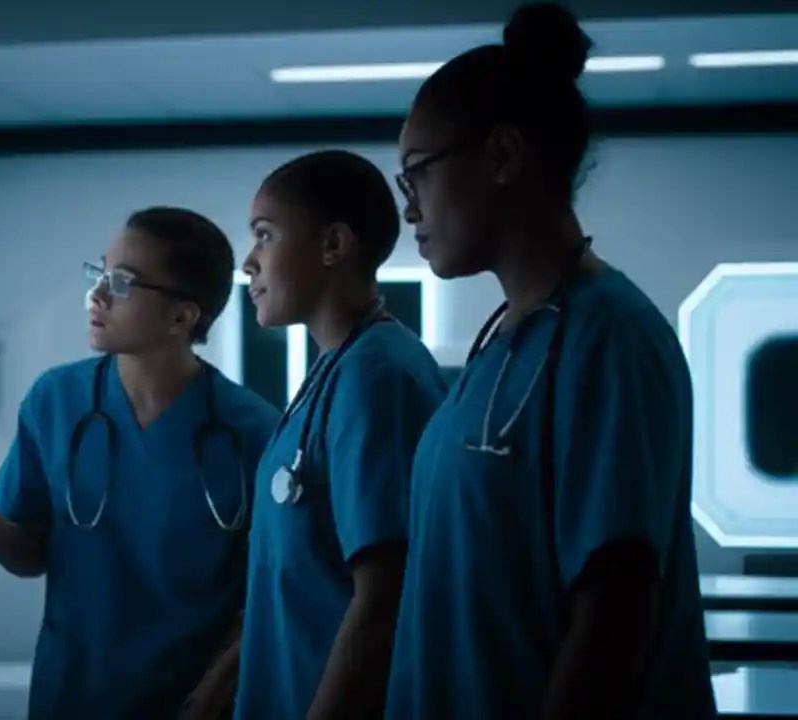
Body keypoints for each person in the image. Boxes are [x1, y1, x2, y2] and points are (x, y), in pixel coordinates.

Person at [384, 3, 717, 719]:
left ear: (502, 155)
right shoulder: (507, 342)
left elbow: (613, 616)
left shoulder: (610, 339)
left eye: (416, 174)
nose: (408, 209)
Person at [0, 207, 281, 720]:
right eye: (100, 274)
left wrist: (213, 693)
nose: (97, 295)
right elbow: (35, 551)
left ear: (182, 317)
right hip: (75, 694)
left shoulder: (252, 429)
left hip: (194, 701)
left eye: (122, 283)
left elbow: (262, 597)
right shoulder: (56, 400)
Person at [186, 150, 447, 720]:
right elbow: (292, 584)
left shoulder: (377, 377)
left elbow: (383, 596)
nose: (249, 262)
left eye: (265, 235)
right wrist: (217, 690)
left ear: (332, 245)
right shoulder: (336, 370)